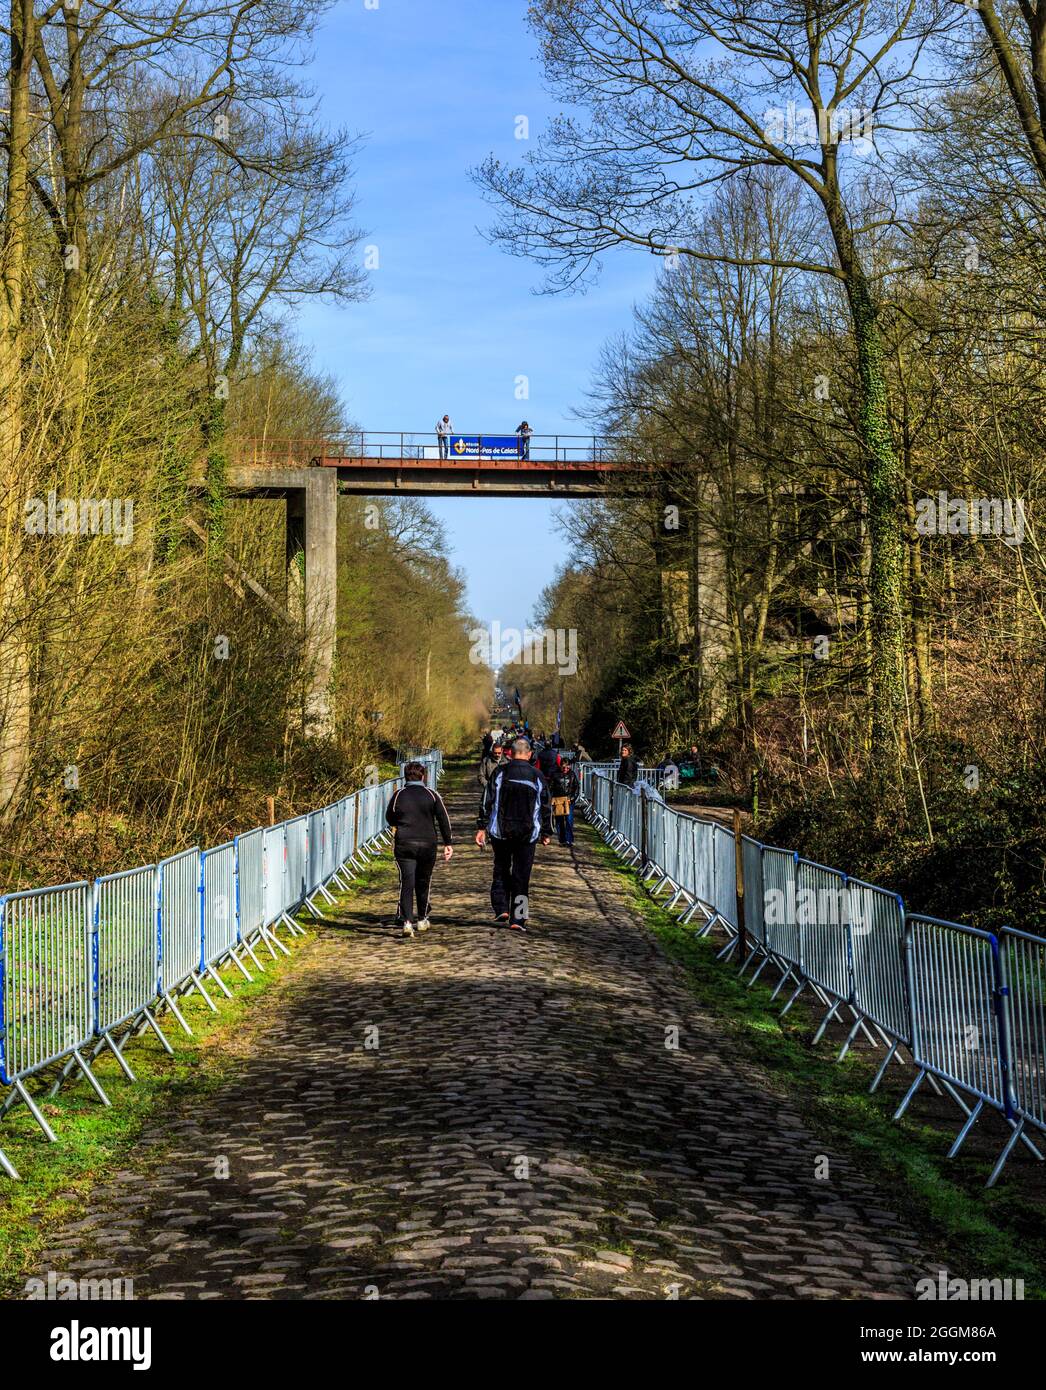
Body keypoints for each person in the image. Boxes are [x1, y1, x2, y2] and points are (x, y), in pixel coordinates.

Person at [476, 737, 551, 932]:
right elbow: (546, 805)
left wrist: (481, 826)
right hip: (528, 834)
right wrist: (546, 832)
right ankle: (519, 918)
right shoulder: (537, 776)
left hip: (500, 832)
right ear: (529, 754)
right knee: (522, 876)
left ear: (510, 753)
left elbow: (487, 799)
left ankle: (501, 907)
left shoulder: (500, 772)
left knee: (501, 868)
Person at [385, 762, 453, 937]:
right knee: (423, 882)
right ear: (423, 777)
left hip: (405, 843)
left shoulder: (398, 795)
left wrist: (401, 824)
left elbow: (389, 817)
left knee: (407, 882)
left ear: (405, 777)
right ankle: (422, 918)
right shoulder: (431, 795)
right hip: (427, 844)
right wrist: (448, 843)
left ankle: (407, 922)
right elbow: (443, 819)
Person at [551, 758, 579, 846]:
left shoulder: (572, 774)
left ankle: (569, 840)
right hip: (558, 800)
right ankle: (562, 840)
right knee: (559, 821)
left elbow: (576, 788)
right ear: (560, 766)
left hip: (568, 801)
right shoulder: (555, 774)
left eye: (567, 767)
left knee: (569, 819)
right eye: (564, 767)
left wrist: (572, 798)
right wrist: (552, 799)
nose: (565, 769)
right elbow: (550, 787)